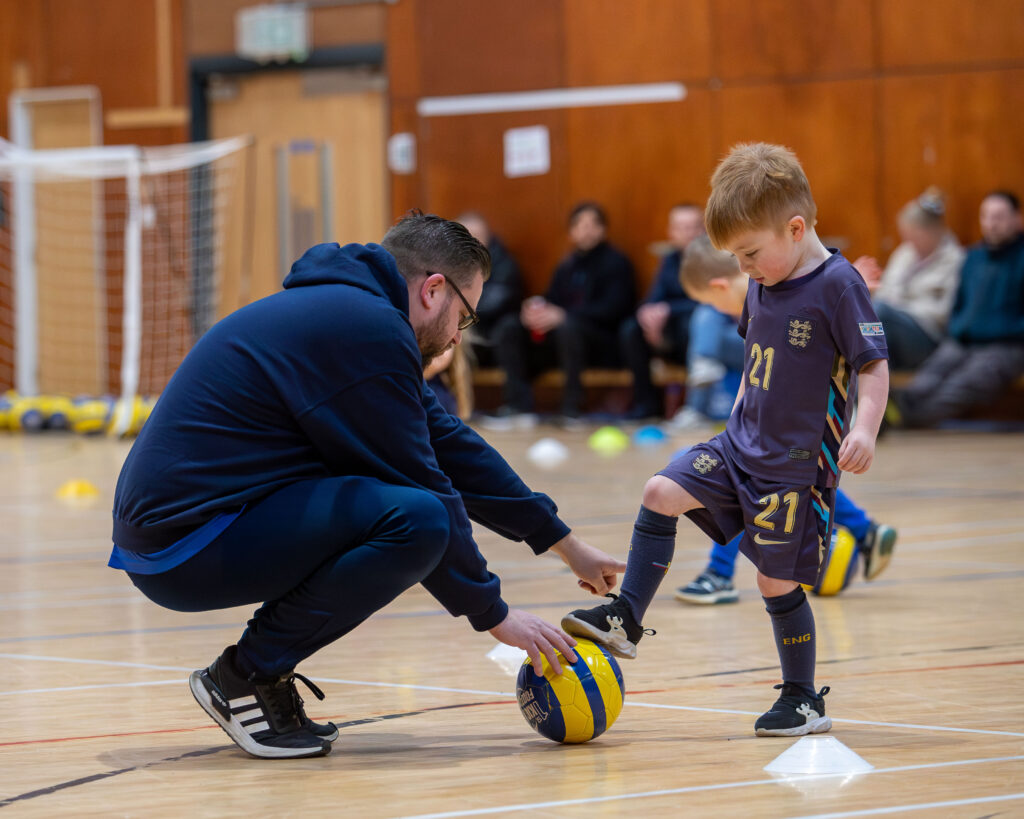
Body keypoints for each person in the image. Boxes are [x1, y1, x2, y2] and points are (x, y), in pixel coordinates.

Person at [108, 213, 626, 760]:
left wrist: (564, 544)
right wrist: (494, 613)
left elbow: (449, 444)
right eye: (464, 317)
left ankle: (251, 674)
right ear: (433, 290)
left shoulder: (350, 315)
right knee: (416, 520)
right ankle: (244, 677)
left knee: (413, 510)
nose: (454, 337)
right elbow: (425, 484)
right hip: (186, 543)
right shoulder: (365, 327)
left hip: (194, 526)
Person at [562, 143, 889, 737]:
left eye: (749, 253)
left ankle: (803, 697)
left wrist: (864, 428)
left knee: (774, 582)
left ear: (795, 228)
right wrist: (738, 414)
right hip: (739, 445)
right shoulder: (767, 276)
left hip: (793, 468)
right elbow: (754, 358)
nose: (744, 268)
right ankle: (625, 619)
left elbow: (872, 365)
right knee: (660, 489)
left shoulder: (839, 285)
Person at [669, 236, 898, 603]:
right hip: (768, 428)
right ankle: (864, 529)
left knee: (759, 488)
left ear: (719, 286)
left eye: (711, 303)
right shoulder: (762, 295)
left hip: (802, 426)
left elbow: (868, 357)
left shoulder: (785, 286)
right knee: (760, 484)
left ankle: (720, 573)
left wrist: (864, 429)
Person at [486, 201, 635, 427]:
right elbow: (551, 298)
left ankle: (571, 408)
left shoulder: (617, 263)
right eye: (580, 225)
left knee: (568, 327)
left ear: (603, 229)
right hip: (560, 342)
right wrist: (535, 309)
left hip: (600, 343)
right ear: (572, 232)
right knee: (510, 326)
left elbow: (615, 308)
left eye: (593, 224)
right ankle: (518, 406)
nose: (586, 230)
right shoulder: (566, 266)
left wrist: (564, 315)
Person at [894, 190, 1024, 428]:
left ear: (1018, 218)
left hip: (1008, 346)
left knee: (962, 385)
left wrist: (998, 330)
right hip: (963, 341)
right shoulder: (972, 258)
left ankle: (908, 418)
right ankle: (897, 409)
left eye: (999, 217)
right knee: (928, 377)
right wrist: (959, 329)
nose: (992, 224)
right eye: (986, 217)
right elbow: (958, 304)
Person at [853, 189, 964, 370]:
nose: (910, 242)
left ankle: (871, 387)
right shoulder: (905, 253)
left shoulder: (955, 260)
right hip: (890, 329)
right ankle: (872, 383)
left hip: (927, 338)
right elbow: (886, 290)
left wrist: (901, 310)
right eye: (907, 236)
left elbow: (946, 313)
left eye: (915, 236)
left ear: (933, 232)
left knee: (881, 314)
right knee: (862, 314)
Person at [618, 204, 702, 419]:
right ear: (671, 232)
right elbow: (653, 299)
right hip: (667, 331)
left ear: (703, 230)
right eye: (681, 228)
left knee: (692, 323)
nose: (688, 233)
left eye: (693, 227)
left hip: (693, 332)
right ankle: (645, 405)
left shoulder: (712, 259)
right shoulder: (670, 260)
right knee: (631, 329)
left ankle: (695, 405)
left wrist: (668, 310)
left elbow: (710, 302)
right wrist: (649, 316)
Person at [455, 211, 524, 368]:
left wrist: (458, 311)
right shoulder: (453, 264)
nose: (469, 242)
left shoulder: (503, 264)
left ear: (486, 237)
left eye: (475, 236)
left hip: (490, 332)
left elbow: (497, 302)